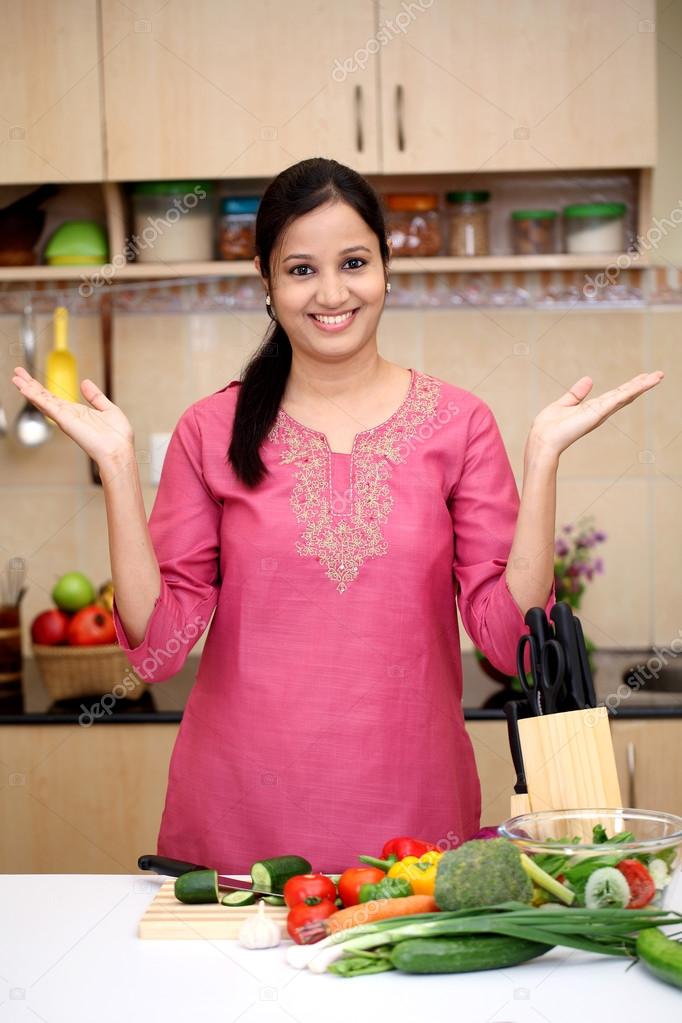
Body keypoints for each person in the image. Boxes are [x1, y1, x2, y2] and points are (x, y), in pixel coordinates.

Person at [11, 158, 664, 873]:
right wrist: (115, 467)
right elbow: (160, 646)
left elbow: (512, 646)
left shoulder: (460, 424)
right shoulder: (210, 430)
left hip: (414, 836)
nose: (331, 292)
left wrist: (542, 461)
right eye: (300, 269)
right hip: (239, 830)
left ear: (387, 264)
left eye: (354, 261)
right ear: (265, 279)